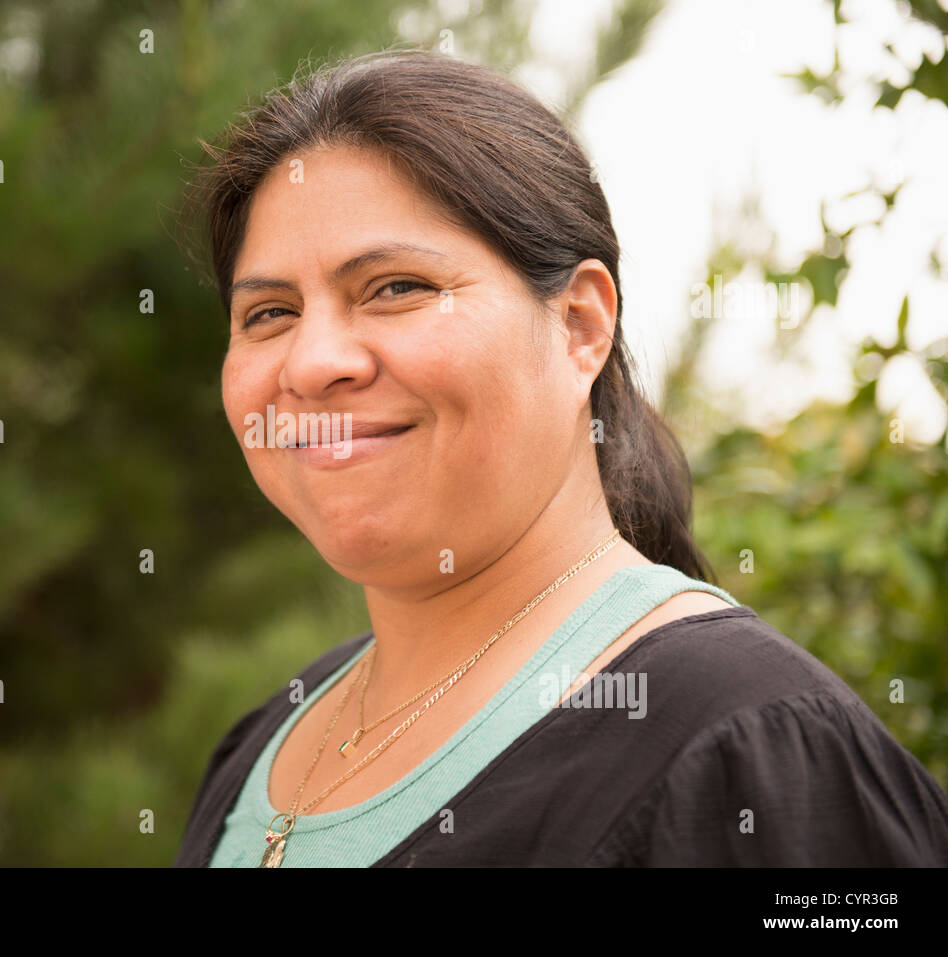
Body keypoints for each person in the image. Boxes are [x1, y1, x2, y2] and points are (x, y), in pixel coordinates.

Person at [171, 48, 948, 867]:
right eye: (269, 312)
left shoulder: (749, 754)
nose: (311, 361)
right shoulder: (262, 748)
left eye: (395, 286)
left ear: (580, 324)